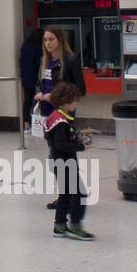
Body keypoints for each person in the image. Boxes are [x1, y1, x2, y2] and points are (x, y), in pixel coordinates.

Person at [35, 28, 86, 209]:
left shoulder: (70, 61)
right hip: (48, 114)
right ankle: (65, 195)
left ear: (60, 40)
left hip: (63, 115)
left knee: (66, 154)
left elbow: (80, 88)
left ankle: (75, 194)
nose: (48, 43)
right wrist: (39, 94)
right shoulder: (45, 61)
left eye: (51, 39)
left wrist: (54, 97)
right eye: (46, 40)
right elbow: (40, 83)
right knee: (55, 156)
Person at [45, 82, 94, 240]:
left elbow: (63, 138)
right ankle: (75, 225)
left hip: (61, 162)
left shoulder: (58, 118)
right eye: (75, 100)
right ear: (66, 101)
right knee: (79, 194)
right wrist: (80, 146)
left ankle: (60, 226)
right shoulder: (61, 122)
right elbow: (61, 143)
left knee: (65, 194)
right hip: (64, 163)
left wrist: (77, 136)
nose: (76, 103)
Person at [19, 27, 43, 106]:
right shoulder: (38, 46)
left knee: (27, 99)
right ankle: (34, 116)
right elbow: (38, 62)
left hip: (25, 76)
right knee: (36, 99)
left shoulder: (25, 45)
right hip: (35, 77)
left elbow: (21, 60)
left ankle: (26, 117)